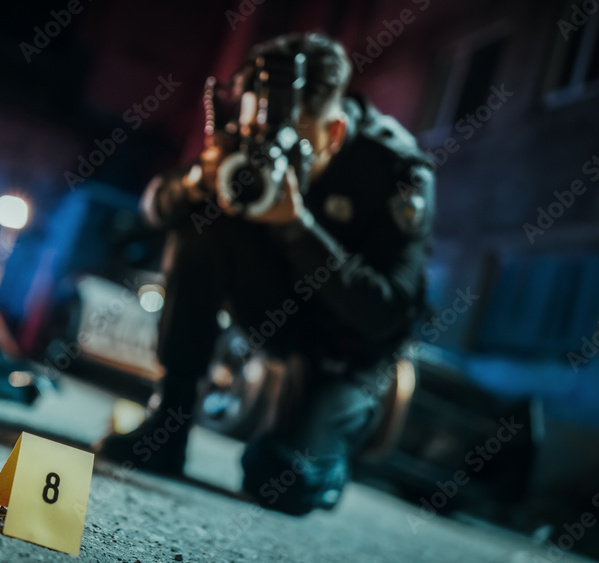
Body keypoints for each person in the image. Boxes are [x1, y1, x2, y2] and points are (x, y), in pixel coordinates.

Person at [98, 32, 435, 515]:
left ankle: (328, 459)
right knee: (200, 223)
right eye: (265, 138)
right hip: (273, 308)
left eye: (292, 143)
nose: (271, 156)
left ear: (335, 132)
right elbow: (155, 210)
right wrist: (200, 177)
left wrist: (297, 228)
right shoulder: (250, 131)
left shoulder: (397, 170)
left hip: (348, 346)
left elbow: (390, 316)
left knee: (279, 481)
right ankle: (168, 422)